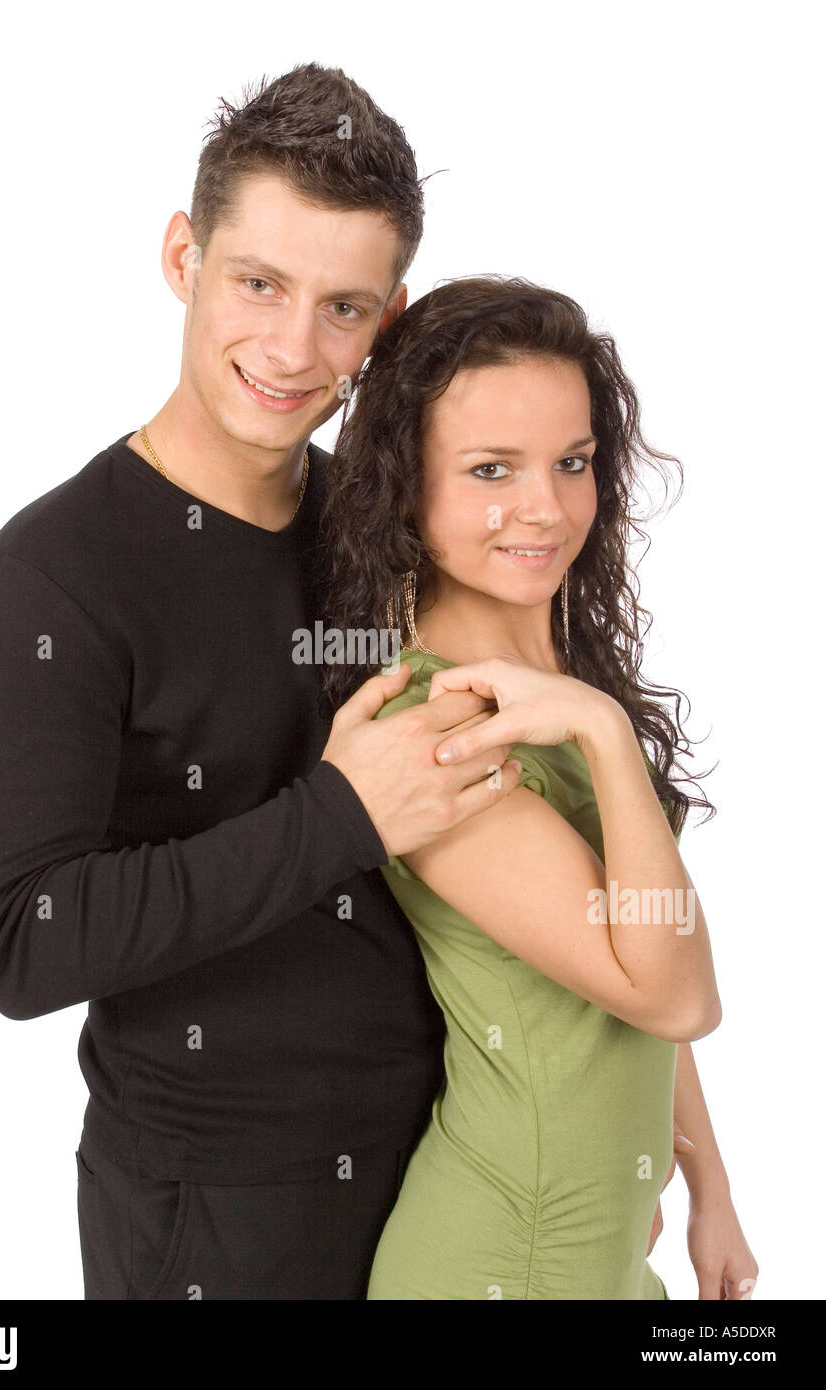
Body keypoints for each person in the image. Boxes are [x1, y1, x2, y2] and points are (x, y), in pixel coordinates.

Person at [0, 62, 750, 1300]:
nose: (290, 346)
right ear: (182, 255)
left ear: (389, 321)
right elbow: (19, 943)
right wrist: (339, 815)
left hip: (442, 1174)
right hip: (214, 1216)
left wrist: (654, 1156)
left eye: (343, 307)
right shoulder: (53, 579)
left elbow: (578, 881)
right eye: (257, 283)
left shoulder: (383, 527)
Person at [318, 276, 759, 1299]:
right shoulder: (432, 734)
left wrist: (712, 1187)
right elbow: (676, 991)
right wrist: (605, 734)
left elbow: (632, 968)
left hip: (608, 1263)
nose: (547, 508)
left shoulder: (557, 689)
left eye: (572, 462)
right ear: (406, 487)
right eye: (488, 470)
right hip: (501, 1263)